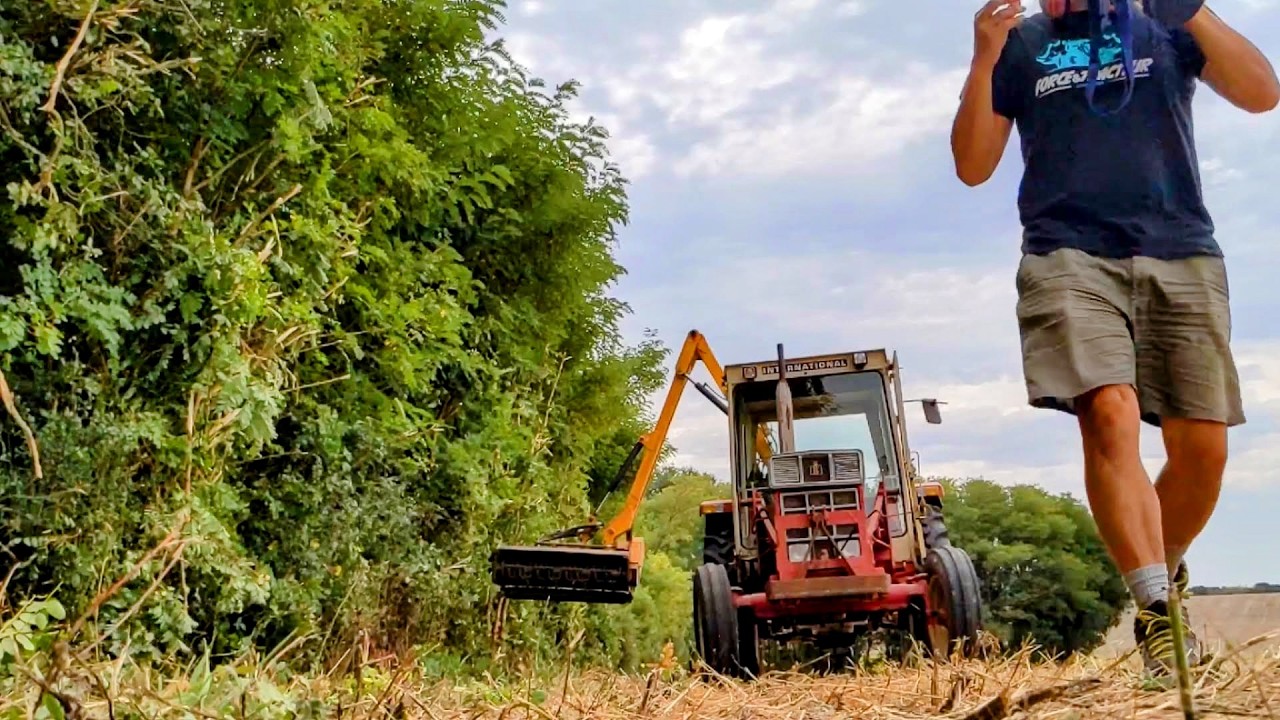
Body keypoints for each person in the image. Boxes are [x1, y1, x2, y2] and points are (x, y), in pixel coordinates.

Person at [949, 0, 1278, 677]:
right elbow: (973, 165)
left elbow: (1261, 92)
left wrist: (1190, 10)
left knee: (1203, 447)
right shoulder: (1023, 44)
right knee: (1108, 410)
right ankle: (1156, 608)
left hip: (1180, 251)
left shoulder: (1163, 24)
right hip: (1065, 254)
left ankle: (1166, 564)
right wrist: (984, 56)